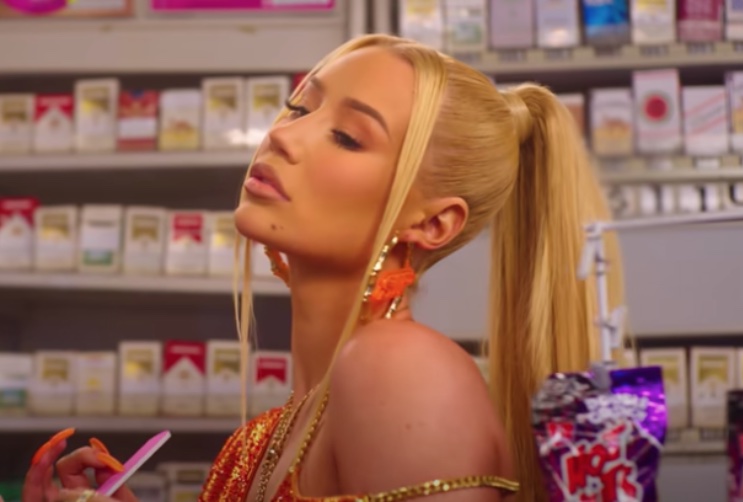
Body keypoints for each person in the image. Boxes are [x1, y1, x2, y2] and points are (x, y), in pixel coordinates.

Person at [22, 33, 624, 502]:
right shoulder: (263, 435)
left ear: (434, 223)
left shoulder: (399, 370)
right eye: (298, 107)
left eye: (348, 137)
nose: (284, 136)